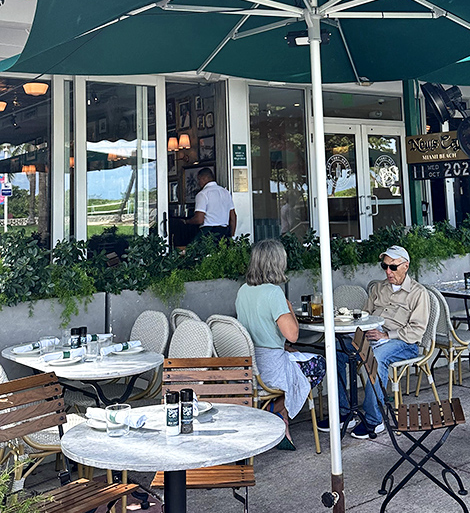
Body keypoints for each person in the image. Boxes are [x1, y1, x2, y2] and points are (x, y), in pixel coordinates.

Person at [235, 239, 326, 450]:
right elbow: (293, 335)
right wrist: (288, 307)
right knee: (319, 364)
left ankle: (277, 414)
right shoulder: (274, 293)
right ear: (277, 263)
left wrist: (282, 346)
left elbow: (256, 331)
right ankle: (276, 412)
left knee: (295, 355)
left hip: (249, 366)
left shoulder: (243, 290)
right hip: (270, 369)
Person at [333, 245, 429, 440]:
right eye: (384, 266)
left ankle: (374, 419)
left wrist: (387, 335)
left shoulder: (418, 293)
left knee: (375, 358)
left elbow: (417, 331)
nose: (388, 271)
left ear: (406, 266)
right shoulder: (378, 288)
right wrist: (360, 329)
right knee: (336, 349)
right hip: (372, 337)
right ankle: (344, 412)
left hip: (402, 342)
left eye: (393, 267)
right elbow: (366, 315)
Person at [183, 167, 236, 239]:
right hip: (224, 232)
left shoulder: (203, 194)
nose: (198, 183)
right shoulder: (225, 192)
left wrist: (187, 222)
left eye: (199, 179)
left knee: (192, 245)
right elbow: (233, 217)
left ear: (204, 178)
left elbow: (199, 219)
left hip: (209, 232)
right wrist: (232, 236)